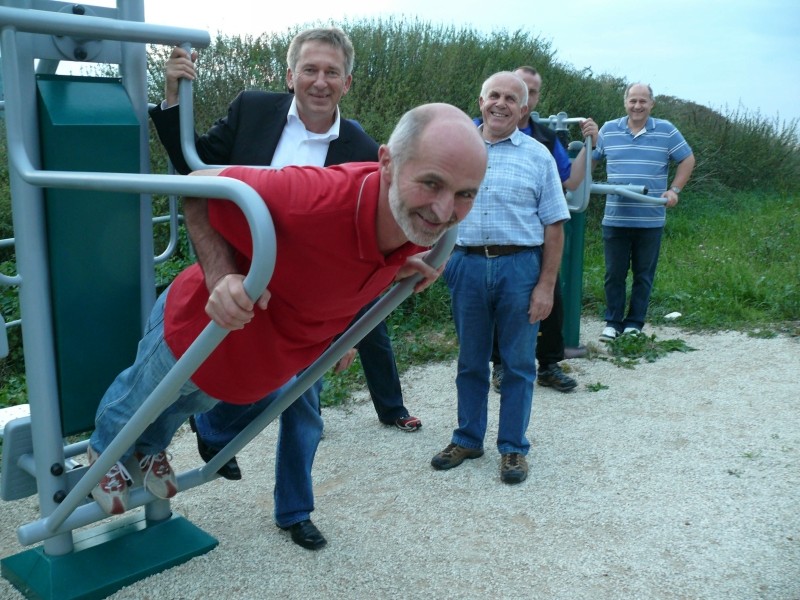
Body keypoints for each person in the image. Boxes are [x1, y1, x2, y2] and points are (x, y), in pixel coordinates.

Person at [86, 102, 488, 552]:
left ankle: (147, 449)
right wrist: (220, 277)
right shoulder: (313, 197)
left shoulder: (410, 226)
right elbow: (199, 186)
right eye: (431, 182)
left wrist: (392, 271)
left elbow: (339, 266)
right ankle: (103, 452)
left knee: (184, 405)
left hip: (250, 362)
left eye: (465, 193)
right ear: (387, 163)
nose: (444, 209)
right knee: (145, 394)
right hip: (198, 326)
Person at [148, 27, 419, 552]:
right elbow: (193, 167)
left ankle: (295, 510)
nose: (320, 81)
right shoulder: (254, 110)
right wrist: (174, 98)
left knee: (303, 400)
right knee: (207, 375)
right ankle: (213, 431)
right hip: (241, 278)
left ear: (347, 83)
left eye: (332, 72)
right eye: (310, 70)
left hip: (306, 298)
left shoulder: (362, 149)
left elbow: (369, 244)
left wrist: (345, 330)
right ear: (290, 75)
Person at [430, 72, 570, 484]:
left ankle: (512, 448)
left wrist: (546, 286)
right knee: (470, 360)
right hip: (467, 265)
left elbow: (554, 226)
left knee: (519, 363)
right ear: (481, 101)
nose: (501, 104)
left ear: (524, 109)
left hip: (520, 268)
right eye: (494, 95)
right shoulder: (457, 151)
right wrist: (439, 260)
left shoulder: (539, 157)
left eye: (512, 98)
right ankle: (468, 438)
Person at [485, 66, 598, 394]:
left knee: (551, 299)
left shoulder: (545, 139)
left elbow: (571, 181)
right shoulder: (473, 131)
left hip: (533, 240)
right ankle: (499, 366)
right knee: (495, 308)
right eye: (503, 92)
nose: (507, 101)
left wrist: (590, 144)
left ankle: (548, 365)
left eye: (530, 91)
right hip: (486, 241)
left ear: (530, 100)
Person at [592, 83, 695, 342]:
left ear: (652, 104)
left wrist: (674, 190)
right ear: (625, 102)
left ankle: (634, 323)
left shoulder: (666, 130)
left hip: (650, 219)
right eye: (633, 101)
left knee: (643, 275)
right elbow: (590, 160)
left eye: (642, 101)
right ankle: (613, 322)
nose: (637, 106)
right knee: (614, 274)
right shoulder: (608, 130)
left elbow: (687, 159)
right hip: (616, 218)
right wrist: (578, 183)